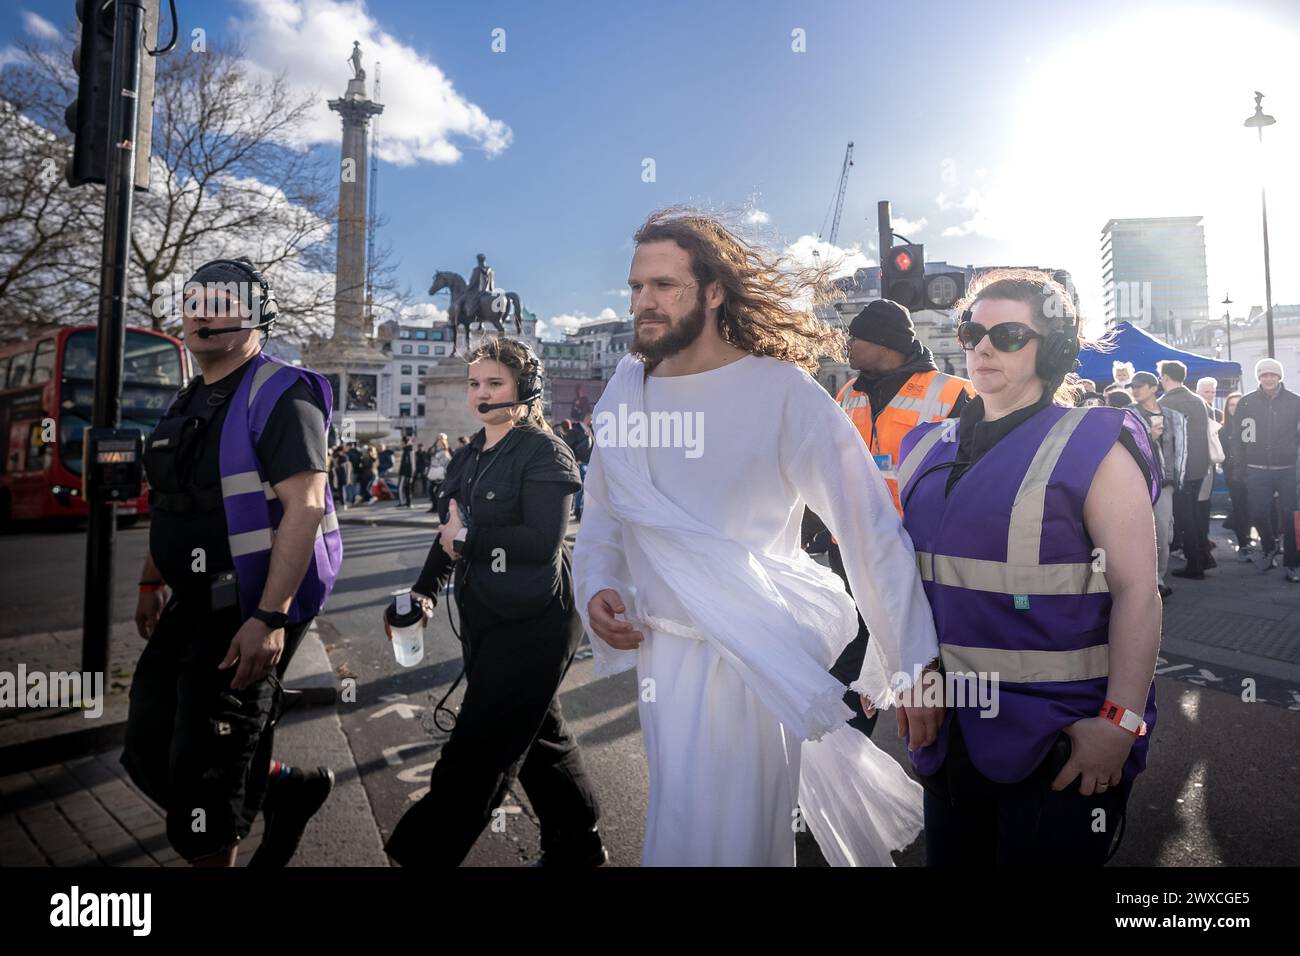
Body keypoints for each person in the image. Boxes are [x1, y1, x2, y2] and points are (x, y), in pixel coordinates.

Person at [573, 208, 942, 867]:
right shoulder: (625, 393)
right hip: (665, 657)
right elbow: (602, 515)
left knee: (741, 844)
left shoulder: (784, 394)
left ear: (714, 291)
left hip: (753, 665)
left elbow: (871, 536)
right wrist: (597, 583)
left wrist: (913, 665)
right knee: (677, 830)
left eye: (664, 286)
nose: (644, 303)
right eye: (636, 288)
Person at [897, 269, 1160, 865]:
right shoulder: (922, 446)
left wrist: (1120, 723)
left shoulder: (1094, 443)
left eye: (1010, 334)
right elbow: (908, 584)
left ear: (1056, 348)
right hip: (950, 735)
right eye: (972, 331)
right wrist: (907, 676)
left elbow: (1138, 592)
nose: (983, 347)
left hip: (1058, 738)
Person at [124, 257, 340, 867]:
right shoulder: (186, 399)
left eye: (222, 303)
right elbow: (175, 501)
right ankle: (280, 787)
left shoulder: (281, 390)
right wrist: (150, 578)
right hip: (191, 603)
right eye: (194, 300)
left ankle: (223, 825)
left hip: (248, 608)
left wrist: (270, 617)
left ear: (257, 317)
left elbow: (305, 506)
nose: (202, 313)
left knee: (207, 774)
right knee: (145, 743)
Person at [384, 338, 604, 867]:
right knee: (540, 736)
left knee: (479, 751)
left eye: (494, 384)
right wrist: (423, 593)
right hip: (484, 615)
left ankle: (419, 856)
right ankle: (577, 847)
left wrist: (471, 543)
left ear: (525, 389)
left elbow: (539, 543)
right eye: (475, 384)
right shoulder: (465, 456)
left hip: (537, 618)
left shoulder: (545, 452)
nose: (481, 394)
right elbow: (446, 536)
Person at [822, 298, 974, 738]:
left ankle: (939, 753)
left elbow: (969, 477)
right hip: (849, 549)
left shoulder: (953, 393)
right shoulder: (847, 393)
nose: (845, 343)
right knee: (851, 656)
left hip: (919, 553)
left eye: (855, 336)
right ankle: (843, 754)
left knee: (925, 656)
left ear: (884, 342)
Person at [1232, 358, 1300, 580]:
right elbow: (1239, 438)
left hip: (1288, 468)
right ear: (1258, 377)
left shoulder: (1295, 401)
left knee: (1291, 517)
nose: (1268, 378)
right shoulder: (1246, 402)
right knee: (1258, 512)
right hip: (1257, 467)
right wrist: (1239, 466)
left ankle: (1292, 563)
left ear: (1279, 377)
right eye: (1264, 375)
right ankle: (1270, 545)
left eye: (1273, 374)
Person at [1131, 371, 1186, 598]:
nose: (1135, 390)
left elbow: (1182, 448)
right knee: (1137, 533)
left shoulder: (1173, 416)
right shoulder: (1129, 415)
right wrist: (1149, 437)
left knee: (1163, 533)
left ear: (1154, 388)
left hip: (1165, 483)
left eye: (1140, 386)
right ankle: (1145, 579)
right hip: (1136, 483)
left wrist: (1179, 478)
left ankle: (1158, 576)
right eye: (1133, 386)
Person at [1159, 360, 1213, 579]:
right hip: (1200, 465)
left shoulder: (1163, 403)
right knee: (1195, 514)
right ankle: (1204, 557)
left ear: (1165, 377)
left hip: (1179, 469)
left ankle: (1195, 563)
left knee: (1185, 517)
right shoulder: (1198, 400)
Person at [1220, 391, 1256, 559]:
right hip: (1233, 475)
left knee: (1252, 509)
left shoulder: (1251, 425)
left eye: (1238, 404)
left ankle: (1235, 525)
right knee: (1241, 508)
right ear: (1227, 408)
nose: (1235, 407)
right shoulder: (1222, 429)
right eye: (1232, 404)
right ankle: (1243, 544)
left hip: (1253, 473)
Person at [426, 433, 452, 512]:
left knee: (438, 492)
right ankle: (434, 506)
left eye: (440, 440)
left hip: (441, 474)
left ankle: (438, 507)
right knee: (430, 491)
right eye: (438, 440)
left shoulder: (445, 452)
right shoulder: (434, 450)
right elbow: (429, 458)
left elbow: (447, 463)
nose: (438, 442)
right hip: (434, 473)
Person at [397, 436, 414, 507]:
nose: (400, 443)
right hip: (404, 473)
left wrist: (411, 475)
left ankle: (404, 502)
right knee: (406, 488)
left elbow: (411, 464)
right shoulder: (405, 450)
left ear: (404, 442)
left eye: (401, 442)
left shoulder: (408, 451)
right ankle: (407, 503)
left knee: (402, 488)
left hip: (406, 473)